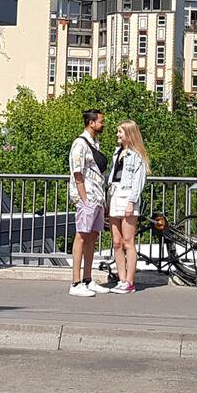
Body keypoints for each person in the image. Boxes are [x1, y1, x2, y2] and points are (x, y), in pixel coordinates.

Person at [68, 110, 110, 296]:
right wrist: (84, 199)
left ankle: (87, 278)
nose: (103, 124)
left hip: (97, 196)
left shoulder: (95, 144)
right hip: (88, 197)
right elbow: (78, 173)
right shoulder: (80, 144)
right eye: (101, 121)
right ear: (91, 123)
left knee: (92, 236)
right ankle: (75, 282)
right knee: (82, 235)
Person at [106, 121, 150, 294]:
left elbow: (138, 181)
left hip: (127, 197)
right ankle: (121, 278)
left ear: (129, 134)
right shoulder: (117, 153)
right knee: (116, 242)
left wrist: (132, 201)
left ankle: (130, 281)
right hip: (114, 195)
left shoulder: (136, 156)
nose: (117, 135)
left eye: (120, 132)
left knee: (128, 241)